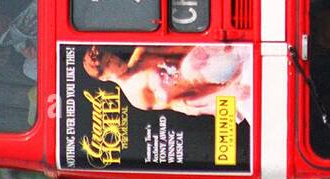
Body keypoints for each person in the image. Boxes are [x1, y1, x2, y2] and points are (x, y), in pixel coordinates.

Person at [81, 44, 252, 121]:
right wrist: (226, 93)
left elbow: (185, 47)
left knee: (191, 64)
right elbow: (183, 103)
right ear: (104, 77)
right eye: (108, 63)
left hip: (223, 58)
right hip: (214, 88)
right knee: (191, 68)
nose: (115, 61)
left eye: (111, 56)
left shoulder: (142, 53)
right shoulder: (137, 97)